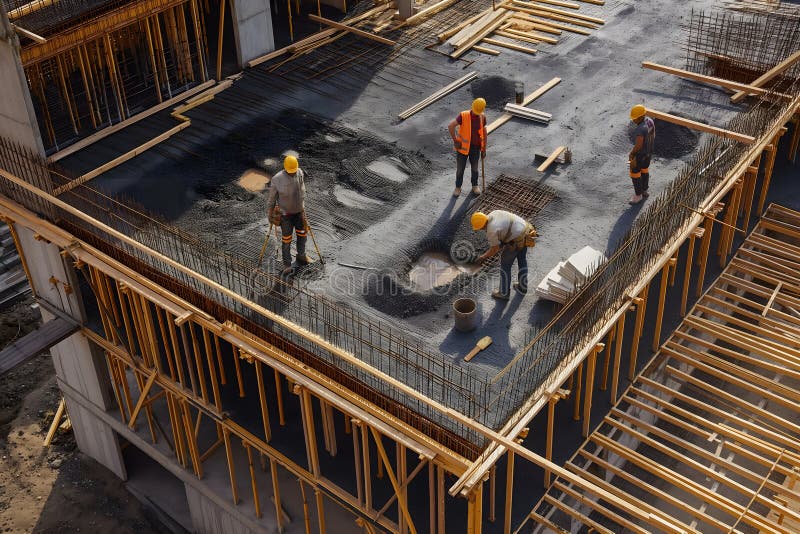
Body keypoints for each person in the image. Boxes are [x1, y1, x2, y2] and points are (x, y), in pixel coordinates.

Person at [471, 210, 536, 301]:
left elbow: (495, 249)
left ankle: (504, 293)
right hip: (526, 231)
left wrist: (483, 257)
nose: (481, 230)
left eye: (480, 228)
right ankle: (523, 286)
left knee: (505, 266)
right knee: (522, 260)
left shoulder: (491, 230)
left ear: (482, 226)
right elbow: (504, 231)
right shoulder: (494, 213)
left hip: (516, 240)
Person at [267, 155, 310, 275]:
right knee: (287, 240)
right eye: (291, 171)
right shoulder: (277, 179)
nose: (293, 173)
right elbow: (271, 199)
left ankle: (301, 256)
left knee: (303, 235)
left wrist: (303, 207)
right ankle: (287, 264)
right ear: (285, 168)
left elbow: (301, 189)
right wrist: (270, 214)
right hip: (286, 215)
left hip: (300, 212)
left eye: (294, 171)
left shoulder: (300, 172)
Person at [448, 98, 487, 197]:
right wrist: (455, 140)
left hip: (476, 148)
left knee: (475, 169)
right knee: (460, 170)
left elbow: (484, 132)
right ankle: (458, 187)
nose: (476, 114)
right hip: (463, 148)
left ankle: (475, 185)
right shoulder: (463, 115)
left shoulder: (482, 117)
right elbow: (451, 126)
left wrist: (484, 148)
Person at [628, 104, 656, 205]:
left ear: (640, 117)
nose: (633, 120)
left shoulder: (640, 129)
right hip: (649, 152)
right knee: (644, 169)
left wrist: (632, 154)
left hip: (641, 154)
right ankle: (644, 190)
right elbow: (653, 135)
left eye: (634, 118)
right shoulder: (650, 121)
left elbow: (638, 145)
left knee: (634, 172)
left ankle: (638, 195)